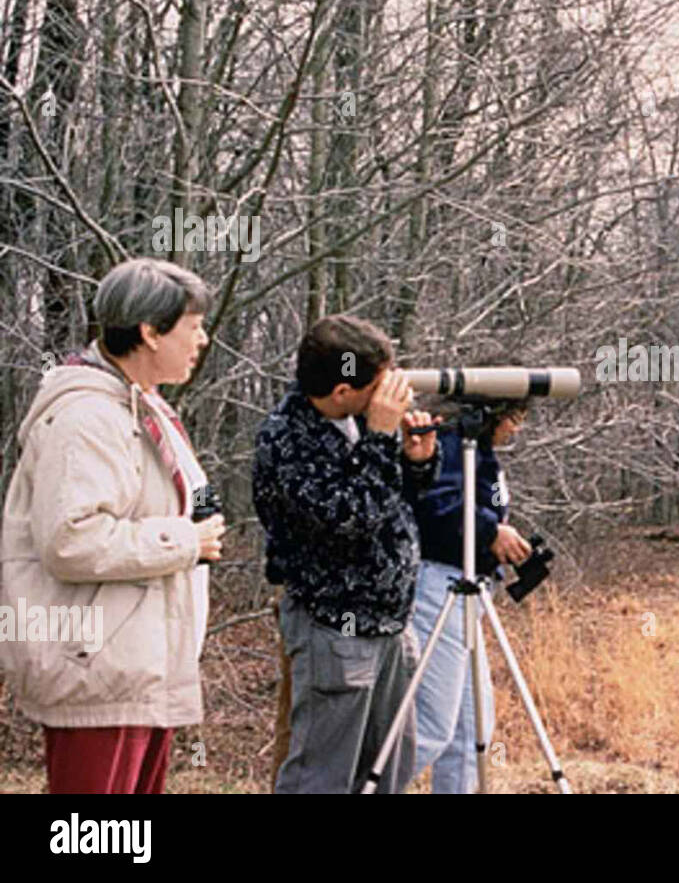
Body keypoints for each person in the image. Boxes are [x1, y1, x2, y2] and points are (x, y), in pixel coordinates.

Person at [0, 258, 225, 794]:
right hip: (97, 666)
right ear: (150, 332)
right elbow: (71, 539)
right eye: (193, 327)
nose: (203, 339)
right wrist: (183, 541)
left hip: (138, 663)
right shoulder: (87, 418)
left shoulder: (143, 409)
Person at [252, 315, 439, 794]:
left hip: (390, 625)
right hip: (335, 627)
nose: (386, 397)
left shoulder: (354, 421)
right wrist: (379, 438)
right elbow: (350, 522)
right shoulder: (287, 440)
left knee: (387, 771)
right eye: (376, 386)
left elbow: (389, 508)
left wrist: (416, 463)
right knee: (324, 776)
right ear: (340, 390)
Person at [410, 397, 532, 793]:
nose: (516, 428)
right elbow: (434, 504)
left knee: (471, 731)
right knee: (432, 727)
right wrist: (489, 531)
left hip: (468, 591)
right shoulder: (449, 441)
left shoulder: (481, 451)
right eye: (513, 417)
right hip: (439, 587)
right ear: (494, 411)